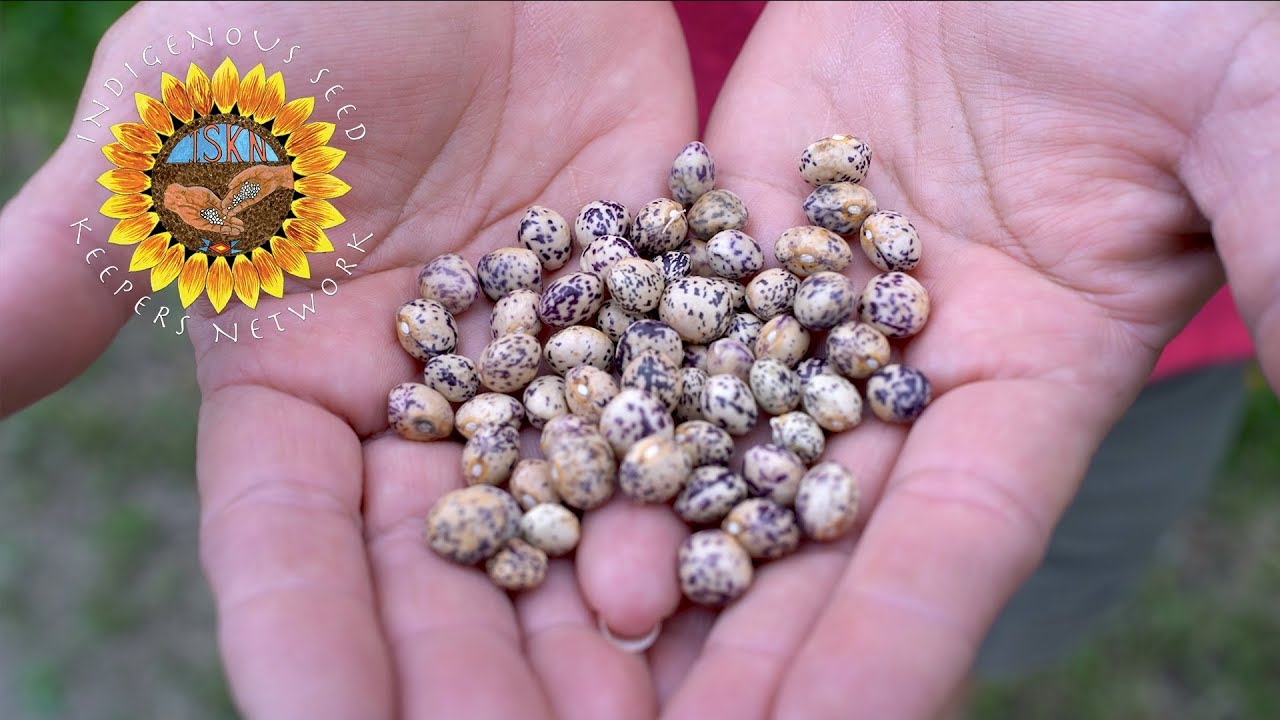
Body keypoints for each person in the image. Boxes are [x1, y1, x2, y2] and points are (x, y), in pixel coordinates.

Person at [0, 3, 1274, 719]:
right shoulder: (593, 341)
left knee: (1013, 580)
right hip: (530, 72)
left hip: (1046, 246)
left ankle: (985, 662)